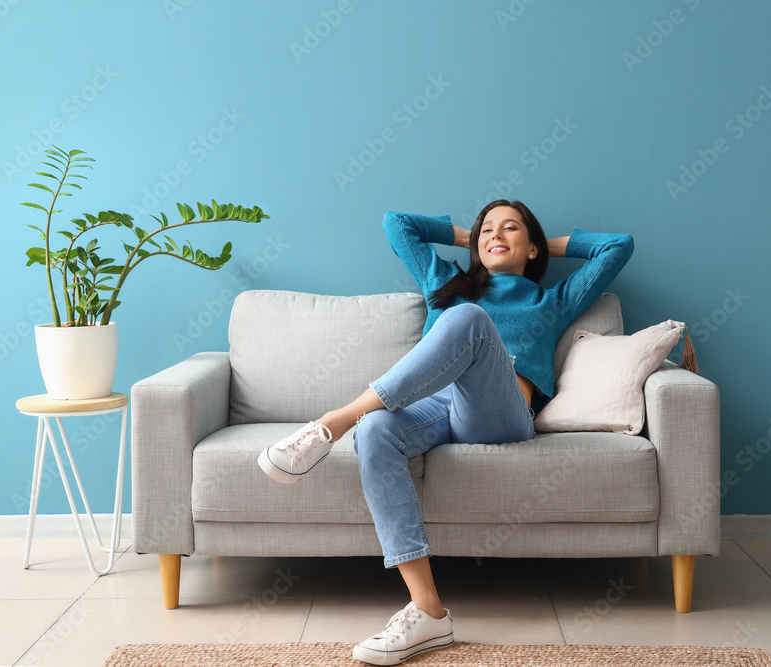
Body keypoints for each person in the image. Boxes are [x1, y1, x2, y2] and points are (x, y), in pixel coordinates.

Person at [258, 200, 633, 665]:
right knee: (374, 428)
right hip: (433, 407)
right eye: (488, 230)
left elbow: (619, 246)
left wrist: (540, 242)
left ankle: (332, 422)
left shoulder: (552, 300)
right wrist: (472, 235)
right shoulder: (446, 283)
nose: (496, 235)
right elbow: (396, 223)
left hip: (501, 413)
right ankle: (428, 612)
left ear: (532, 246)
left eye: (510, 229)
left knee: (469, 319)